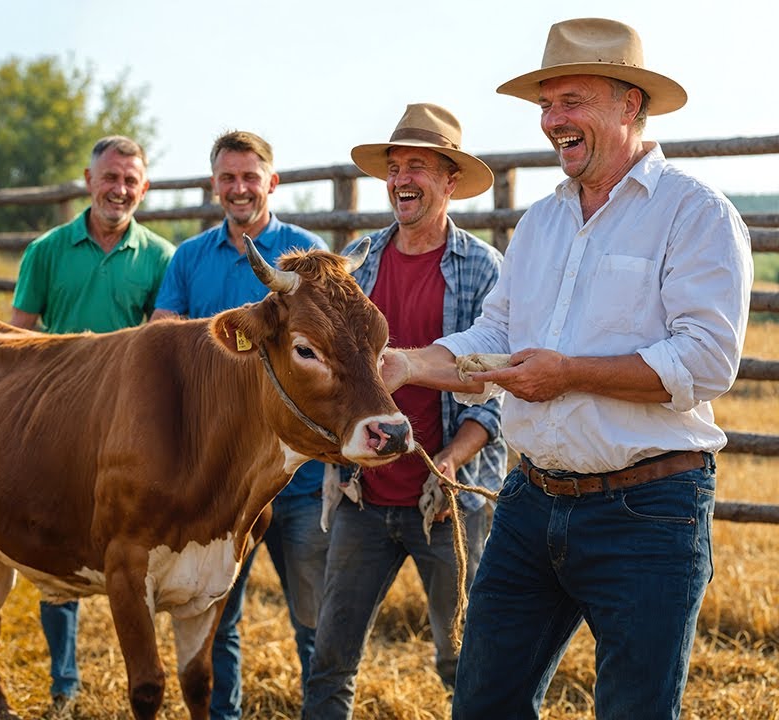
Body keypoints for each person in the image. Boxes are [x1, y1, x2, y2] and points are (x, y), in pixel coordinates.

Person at [379, 19, 751, 719]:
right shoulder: (542, 223)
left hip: (649, 507)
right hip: (531, 499)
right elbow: (495, 337)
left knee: (634, 710)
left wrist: (570, 372)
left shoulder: (695, 213)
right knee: (482, 703)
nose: (553, 120)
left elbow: (706, 360)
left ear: (630, 105)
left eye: (571, 101)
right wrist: (407, 363)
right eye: (547, 105)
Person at [302, 104, 506, 719]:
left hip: (446, 500)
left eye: (417, 166)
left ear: (450, 181)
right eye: (394, 168)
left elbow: (495, 389)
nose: (401, 179)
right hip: (362, 497)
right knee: (330, 660)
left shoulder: (482, 269)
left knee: (462, 658)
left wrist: (449, 462)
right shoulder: (356, 262)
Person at [151, 130, 329, 719]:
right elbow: (163, 336)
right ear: (214, 185)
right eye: (228, 178)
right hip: (220, 480)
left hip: (296, 477)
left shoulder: (306, 255)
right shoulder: (189, 257)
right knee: (216, 614)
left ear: (271, 182)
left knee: (313, 617)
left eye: (250, 176)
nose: (239, 188)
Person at [10, 135, 175, 717]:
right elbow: (18, 338)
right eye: (110, 177)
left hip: (127, 429)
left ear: (144, 188)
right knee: (55, 542)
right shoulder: (47, 251)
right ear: (89, 180)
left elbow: (163, 345)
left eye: (131, 181)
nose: (119, 190)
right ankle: (64, 679)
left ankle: (133, 661)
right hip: (59, 422)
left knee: (129, 544)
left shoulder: (160, 257)